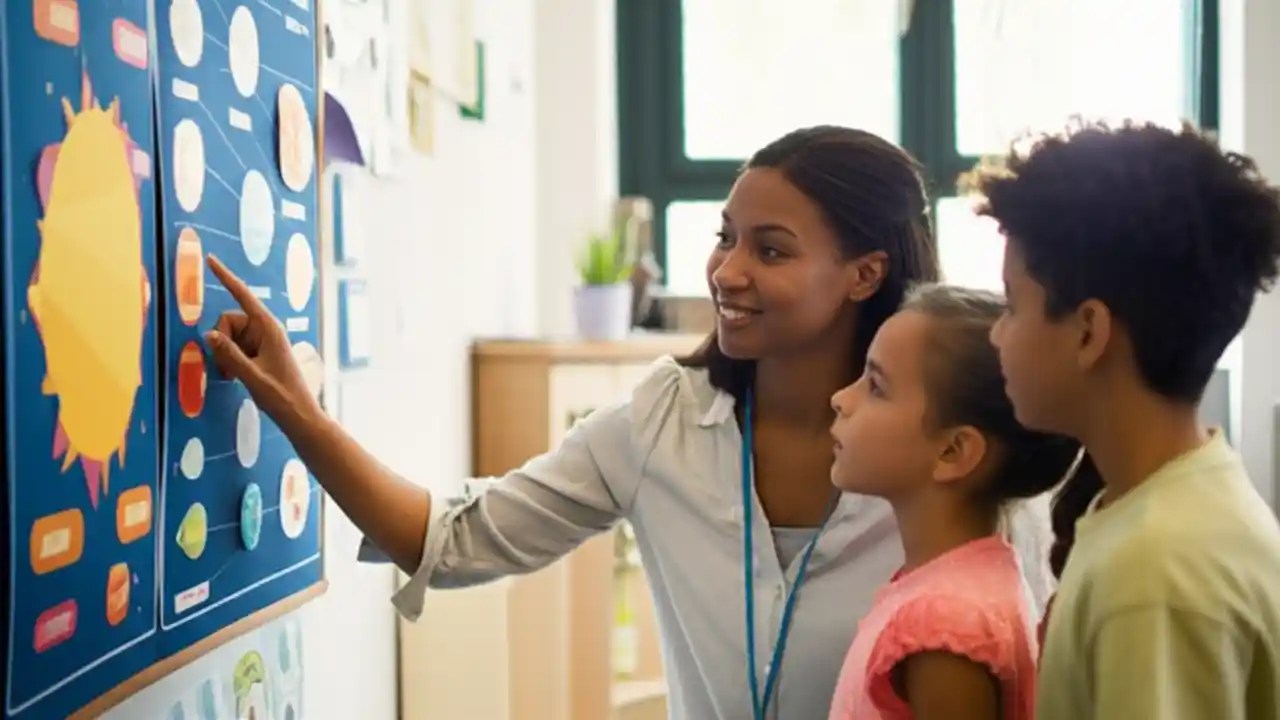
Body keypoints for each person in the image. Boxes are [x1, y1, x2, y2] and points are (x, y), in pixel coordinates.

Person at [204, 125, 1053, 720]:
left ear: (865, 273)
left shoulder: (956, 465)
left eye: (771, 248)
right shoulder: (664, 420)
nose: (727, 270)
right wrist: (298, 412)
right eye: (725, 238)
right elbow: (450, 539)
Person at [968, 120, 1280, 719]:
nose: (997, 334)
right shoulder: (1162, 504)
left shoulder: (1157, 569)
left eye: (1012, 306)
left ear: (1088, 331)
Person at [825, 285, 1076, 720]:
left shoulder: (942, 625)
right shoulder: (954, 585)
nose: (841, 399)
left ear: (953, 452)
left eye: (877, 386)